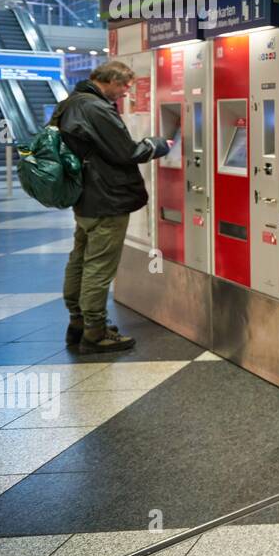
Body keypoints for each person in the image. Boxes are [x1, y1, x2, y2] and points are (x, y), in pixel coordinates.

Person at [55, 61, 169, 352]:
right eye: (123, 86)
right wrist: (158, 144)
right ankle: (95, 333)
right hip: (106, 198)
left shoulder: (71, 103)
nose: (125, 93)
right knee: (99, 266)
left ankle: (78, 323)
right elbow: (127, 151)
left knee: (80, 259)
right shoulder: (97, 109)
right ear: (110, 81)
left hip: (84, 198)